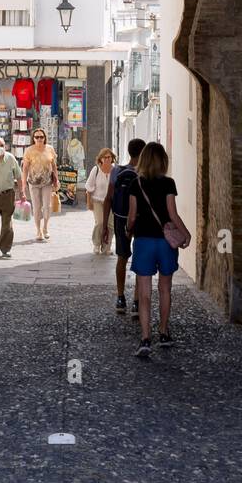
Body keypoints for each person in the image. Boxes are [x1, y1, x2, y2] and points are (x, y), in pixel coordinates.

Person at [126, 141, 190, 357]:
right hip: (165, 242)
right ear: (163, 160)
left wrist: (128, 229)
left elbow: (132, 217)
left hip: (144, 241)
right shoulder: (168, 184)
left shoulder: (136, 184)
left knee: (143, 292)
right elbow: (172, 214)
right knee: (165, 289)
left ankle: (145, 338)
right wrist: (186, 233)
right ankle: (163, 333)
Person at [102, 137, 146, 313]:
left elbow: (108, 199)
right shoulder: (145, 173)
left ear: (129, 152)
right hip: (141, 220)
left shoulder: (116, 172)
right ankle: (136, 300)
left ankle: (120, 297)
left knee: (122, 257)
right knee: (140, 260)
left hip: (121, 219)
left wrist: (105, 224)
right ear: (142, 153)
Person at [21, 128, 59, 242]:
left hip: (47, 182)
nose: (39, 139)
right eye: (36, 137)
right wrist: (23, 184)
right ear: (33, 138)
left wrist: (56, 179)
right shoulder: (29, 150)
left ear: (44, 138)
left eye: (41, 137)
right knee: (37, 208)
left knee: (47, 207)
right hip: (33, 183)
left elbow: (54, 166)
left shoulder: (50, 149)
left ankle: (45, 228)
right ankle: (38, 230)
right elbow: (25, 168)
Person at [85, 148, 116, 254]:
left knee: (110, 225)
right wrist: (89, 202)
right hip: (98, 201)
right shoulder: (96, 170)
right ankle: (97, 244)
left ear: (112, 158)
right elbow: (89, 187)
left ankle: (107, 247)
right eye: (105, 157)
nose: (107, 159)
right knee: (100, 222)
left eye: (109, 157)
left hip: (111, 202)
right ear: (101, 159)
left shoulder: (115, 171)